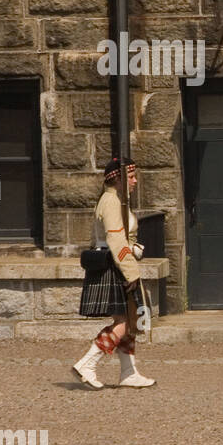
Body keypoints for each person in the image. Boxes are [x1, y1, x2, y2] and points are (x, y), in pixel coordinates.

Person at [73, 156, 155, 390]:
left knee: (131, 322)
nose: (135, 181)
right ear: (117, 179)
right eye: (130, 177)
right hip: (115, 267)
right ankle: (86, 364)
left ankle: (128, 372)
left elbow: (123, 240)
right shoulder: (110, 202)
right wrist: (131, 273)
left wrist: (134, 250)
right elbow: (116, 241)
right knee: (121, 323)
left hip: (118, 265)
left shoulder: (116, 201)